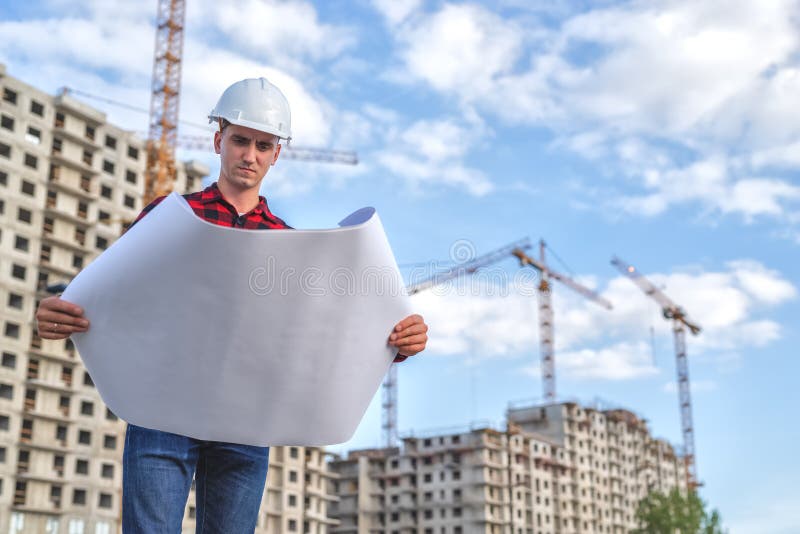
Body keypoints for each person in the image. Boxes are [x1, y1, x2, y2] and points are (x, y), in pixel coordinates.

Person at [34, 77, 429, 532]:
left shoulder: (286, 245)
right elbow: (120, 292)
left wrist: (398, 341)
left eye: (263, 145)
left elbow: (321, 331)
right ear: (219, 139)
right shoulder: (169, 219)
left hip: (245, 425)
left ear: (276, 154)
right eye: (240, 140)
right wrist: (63, 310)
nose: (250, 155)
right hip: (163, 412)